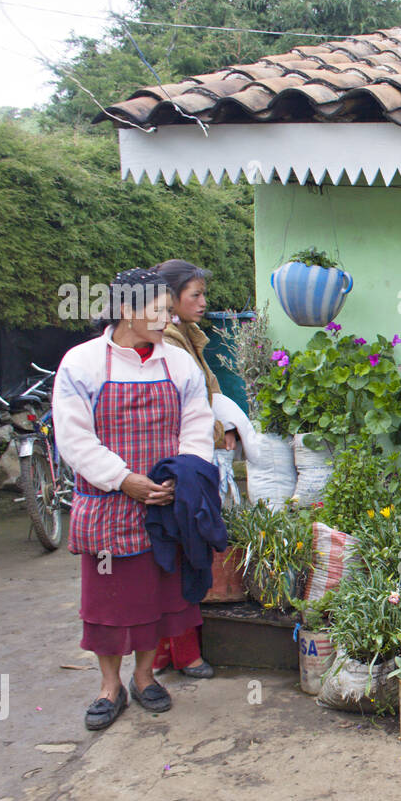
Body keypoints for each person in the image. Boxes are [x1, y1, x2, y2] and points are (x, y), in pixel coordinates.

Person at [53, 269, 215, 731]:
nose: (167, 320)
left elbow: (197, 422)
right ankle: (109, 686)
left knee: (155, 598)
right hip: (108, 502)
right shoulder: (82, 364)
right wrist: (123, 480)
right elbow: (74, 437)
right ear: (126, 310)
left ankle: (145, 677)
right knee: (108, 601)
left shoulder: (177, 363)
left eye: (169, 310)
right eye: (158, 310)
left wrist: (183, 474)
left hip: (163, 501)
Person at [151, 258, 225, 678]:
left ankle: (167, 654)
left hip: (188, 459)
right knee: (182, 552)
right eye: (194, 295)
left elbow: (203, 399)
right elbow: (185, 408)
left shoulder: (185, 338)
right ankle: (179, 653)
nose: (202, 302)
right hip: (176, 466)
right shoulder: (170, 344)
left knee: (174, 554)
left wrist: (223, 430)